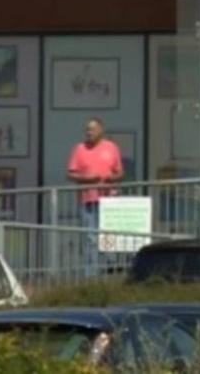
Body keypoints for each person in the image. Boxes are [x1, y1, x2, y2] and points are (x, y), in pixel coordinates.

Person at [67, 118, 124, 278]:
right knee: (90, 237)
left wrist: (113, 179)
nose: (88, 132)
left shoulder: (111, 147)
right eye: (87, 129)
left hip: (109, 199)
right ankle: (90, 275)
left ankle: (111, 271)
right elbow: (70, 174)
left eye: (92, 129)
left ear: (101, 130)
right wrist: (87, 180)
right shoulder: (80, 149)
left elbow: (120, 172)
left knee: (108, 235)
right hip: (88, 199)